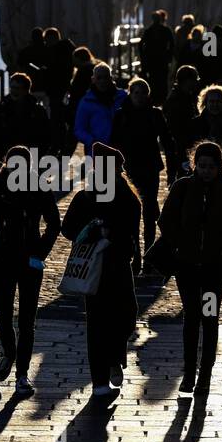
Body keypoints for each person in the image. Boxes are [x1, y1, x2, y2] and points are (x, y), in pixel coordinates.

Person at [0, 146, 62, 396]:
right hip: (3, 257)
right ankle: (9, 353)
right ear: (7, 165)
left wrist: (41, 252)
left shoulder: (39, 186)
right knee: (2, 315)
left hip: (30, 260)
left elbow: (54, 222)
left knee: (27, 321)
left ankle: (22, 375)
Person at [157, 141, 222, 396]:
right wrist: (180, 244)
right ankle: (189, 372)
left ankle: (205, 373)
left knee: (210, 316)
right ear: (195, 165)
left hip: (214, 268)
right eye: (202, 166)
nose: (206, 171)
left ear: (219, 167)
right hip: (187, 267)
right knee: (191, 317)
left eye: (211, 166)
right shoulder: (182, 187)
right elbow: (166, 220)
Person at [61, 142, 142, 399]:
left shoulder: (128, 198)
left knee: (127, 314)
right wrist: (94, 230)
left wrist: (130, 249)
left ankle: (115, 358)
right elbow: (68, 229)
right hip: (93, 267)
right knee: (97, 322)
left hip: (118, 264)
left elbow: (132, 233)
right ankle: (99, 380)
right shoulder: (85, 197)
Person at [109, 78, 173, 254]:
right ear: (130, 93)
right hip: (128, 169)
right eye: (136, 92)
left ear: (148, 94)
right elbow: (113, 143)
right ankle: (134, 251)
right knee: (130, 210)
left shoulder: (155, 115)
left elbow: (167, 141)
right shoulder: (121, 115)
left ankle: (149, 250)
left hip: (150, 168)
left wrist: (172, 168)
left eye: (144, 92)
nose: (140, 96)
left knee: (149, 210)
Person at [73, 60, 127, 159]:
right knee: (101, 174)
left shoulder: (122, 97)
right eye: (99, 78)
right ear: (93, 79)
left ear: (111, 78)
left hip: (121, 151)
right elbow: (79, 129)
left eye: (105, 77)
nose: (102, 81)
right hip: (97, 152)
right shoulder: (86, 101)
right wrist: (92, 141)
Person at [0, 72, 51, 156]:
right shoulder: (3, 108)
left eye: (17, 88)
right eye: (12, 88)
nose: (14, 91)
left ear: (26, 90)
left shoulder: (37, 110)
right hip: (8, 152)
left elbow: (44, 136)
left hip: (30, 153)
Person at [163, 65, 202, 182]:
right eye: (194, 80)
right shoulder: (178, 100)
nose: (196, 83)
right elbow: (177, 127)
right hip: (180, 146)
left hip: (182, 145)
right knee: (182, 176)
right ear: (187, 81)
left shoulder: (187, 96)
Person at [140, 9, 175, 105]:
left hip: (156, 59)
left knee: (158, 80)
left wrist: (144, 56)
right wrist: (169, 55)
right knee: (158, 80)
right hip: (157, 60)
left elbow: (141, 45)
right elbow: (172, 44)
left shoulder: (150, 31)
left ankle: (158, 98)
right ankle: (159, 98)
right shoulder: (163, 30)